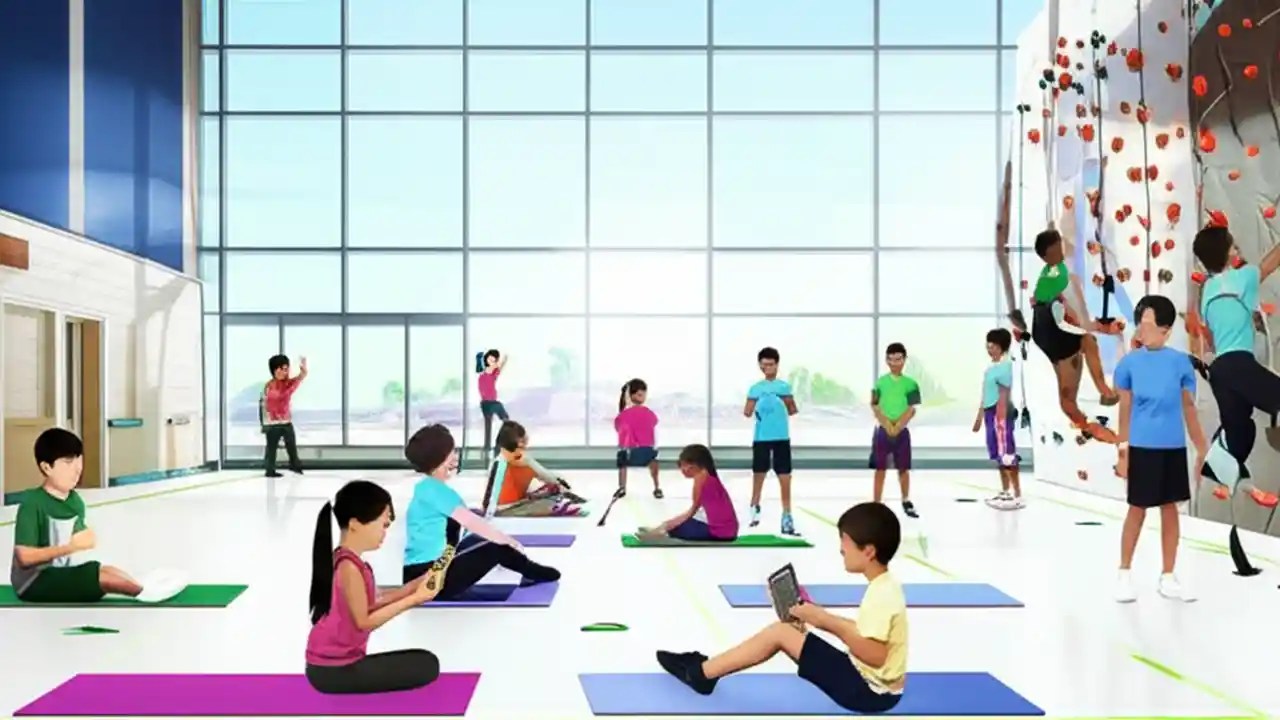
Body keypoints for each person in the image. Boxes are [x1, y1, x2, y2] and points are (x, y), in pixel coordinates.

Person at [655, 502, 906, 714]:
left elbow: (876, 655)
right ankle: (705, 671)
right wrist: (815, 615)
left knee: (781, 633)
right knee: (788, 631)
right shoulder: (886, 585)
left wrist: (822, 620)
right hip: (875, 685)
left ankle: (700, 675)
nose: (841, 548)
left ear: (869, 551)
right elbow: (866, 634)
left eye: (845, 542)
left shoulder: (881, 595)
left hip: (869, 692)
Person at [11, 428, 182, 604]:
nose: (77, 469)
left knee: (99, 569)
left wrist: (82, 538)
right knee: (96, 578)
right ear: (47, 467)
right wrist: (70, 547)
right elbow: (24, 558)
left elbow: (77, 538)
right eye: (68, 462)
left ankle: (140, 584)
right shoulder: (32, 502)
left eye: (79, 460)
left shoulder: (74, 502)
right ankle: (144, 593)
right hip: (32, 583)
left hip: (58, 573)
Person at [1113, 295, 1208, 603]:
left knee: (1170, 510)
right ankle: (1124, 574)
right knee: (1136, 511)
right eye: (1140, 322)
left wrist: (1202, 449)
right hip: (1141, 448)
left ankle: (1168, 575)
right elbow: (1124, 411)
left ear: (1166, 330)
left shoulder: (1180, 362)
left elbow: (1189, 408)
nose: (1142, 329)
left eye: (1149, 324)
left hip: (1173, 448)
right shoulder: (1128, 364)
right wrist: (1122, 453)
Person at [306, 480, 442, 694]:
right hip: (334, 671)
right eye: (383, 525)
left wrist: (416, 585)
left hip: (333, 667)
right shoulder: (348, 567)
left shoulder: (349, 561)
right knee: (428, 665)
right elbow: (364, 621)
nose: (384, 533)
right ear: (355, 524)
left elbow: (374, 599)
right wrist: (414, 599)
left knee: (424, 661)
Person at [401, 424, 560, 598]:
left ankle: (525, 568)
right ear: (440, 457)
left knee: (480, 539)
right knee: (494, 547)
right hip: (431, 579)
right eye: (452, 452)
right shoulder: (436, 491)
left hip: (426, 572)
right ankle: (530, 570)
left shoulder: (426, 488)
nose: (455, 456)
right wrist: (507, 541)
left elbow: (461, 528)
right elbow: (472, 523)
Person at [1191, 225, 1280, 507]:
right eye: (1233, 245)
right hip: (1238, 364)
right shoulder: (1242, 278)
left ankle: (1222, 477)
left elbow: (1216, 339)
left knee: (1241, 430)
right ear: (1229, 252)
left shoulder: (1207, 291)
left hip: (1220, 371)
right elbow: (1270, 263)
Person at [1029, 224, 1120, 443]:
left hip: (1049, 334)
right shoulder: (1063, 281)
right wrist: (1104, 328)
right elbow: (1077, 321)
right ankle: (1087, 424)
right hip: (1059, 341)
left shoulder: (1050, 275)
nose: (1063, 248)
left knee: (1089, 342)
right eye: (1058, 246)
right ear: (1050, 253)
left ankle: (1104, 392)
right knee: (1068, 399)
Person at [746, 347, 800, 536]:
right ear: (760, 365)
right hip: (761, 438)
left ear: (777, 365)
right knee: (758, 473)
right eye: (764, 364)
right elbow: (747, 412)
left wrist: (783, 401)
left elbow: (793, 409)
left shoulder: (784, 387)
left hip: (781, 438)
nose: (767, 367)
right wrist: (759, 404)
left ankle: (787, 514)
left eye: (771, 364)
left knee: (784, 476)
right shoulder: (755, 388)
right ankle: (754, 507)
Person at [480, 420, 585, 517]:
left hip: (513, 505)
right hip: (505, 510)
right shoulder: (506, 462)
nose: (525, 448)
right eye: (523, 444)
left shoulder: (514, 460)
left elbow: (551, 480)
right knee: (550, 499)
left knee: (550, 491)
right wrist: (530, 462)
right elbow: (490, 502)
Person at [636, 445, 738, 542]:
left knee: (679, 527)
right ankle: (660, 530)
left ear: (693, 465)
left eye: (683, 465)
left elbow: (691, 512)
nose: (682, 470)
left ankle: (660, 533)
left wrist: (667, 526)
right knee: (678, 523)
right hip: (729, 531)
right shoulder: (708, 477)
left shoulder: (701, 479)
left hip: (720, 533)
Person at [973, 329, 1023, 510]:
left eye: (993, 346)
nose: (989, 349)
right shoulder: (991, 367)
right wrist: (979, 417)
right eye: (988, 345)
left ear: (1002, 346)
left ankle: (1017, 494)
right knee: (998, 455)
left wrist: (1001, 420)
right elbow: (985, 394)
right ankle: (1005, 491)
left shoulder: (1006, 367)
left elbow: (1004, 393)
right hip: (989, 413)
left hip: (999, 413)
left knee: (1007, 455)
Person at [870, 343, 921, 518]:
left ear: (904, 360)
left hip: (902, 431)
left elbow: (912, 408)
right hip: (883, 431)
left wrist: (898, 426)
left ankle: (906, 500)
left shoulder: (911, 384)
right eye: (891, 359)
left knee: (904, 468)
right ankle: (876, 503)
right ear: (886, 360)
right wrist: (887, 425)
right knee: (880, 468)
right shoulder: (880, 383)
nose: (894, 363)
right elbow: (875, 406)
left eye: (898, 359)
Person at [261, 354, 307, 478]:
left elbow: (297, 380)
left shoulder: (287, 383)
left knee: (291, 446)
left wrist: (303, 371)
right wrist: (265, 424)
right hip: (273, 424)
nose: (284, 372)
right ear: (274, 370)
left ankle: (295, 465)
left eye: (286, 369)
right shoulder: (269, 386)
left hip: (286, 422)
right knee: (271, 449)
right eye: (281, 369)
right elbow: (265, 406)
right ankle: (270, 470)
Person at [615, 378, 662, 499]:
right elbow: (655, 423)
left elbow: (618, 429)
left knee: (622, 458)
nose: (644, 397)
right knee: (654, 461)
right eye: (641, 394)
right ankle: (657, 488)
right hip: (648, 453)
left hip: (630, 453)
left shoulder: (623, 415)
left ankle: (622, 487)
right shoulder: (649, 413)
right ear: (632, 395)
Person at [476, 349, 509, 463]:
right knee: (488, 426)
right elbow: (480, 364)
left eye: (494, 360)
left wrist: (504, 359)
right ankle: (488, 448)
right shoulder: (482, 372)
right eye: (490, 359)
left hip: (492, 402)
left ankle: (496, 447)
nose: (492, 361)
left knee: (505, 420)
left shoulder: (494, 373)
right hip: (486, 403)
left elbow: (500, 366)